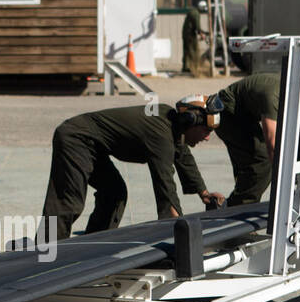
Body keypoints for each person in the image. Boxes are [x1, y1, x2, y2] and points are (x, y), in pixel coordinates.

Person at [39, 96, 221, 241]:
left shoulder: (173, 125)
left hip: (91, 144)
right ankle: (45, 255)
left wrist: (203, 193)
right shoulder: (160, 133)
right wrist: (180, 235)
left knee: (115, 193)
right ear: (189, 121)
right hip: (76, 138)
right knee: (68, 202)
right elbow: (164, 183)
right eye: (206, 130)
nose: (206, 138)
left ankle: (92, 244)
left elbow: (183, 157)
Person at [204, 65, 300, 206]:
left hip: (243, 115)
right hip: (227, 113)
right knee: (262, 160)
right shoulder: (274, 94)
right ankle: (238, 208)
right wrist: (286, 185)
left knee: (290, 151)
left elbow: (295, 139)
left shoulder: (292, 86)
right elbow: (272, 145)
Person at [181, 2, 209, 76]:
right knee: (193, 51)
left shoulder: (193, 11)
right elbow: (197, 27)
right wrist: (202, 34)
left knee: (186, 50)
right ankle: (194, 67)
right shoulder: (196, 14)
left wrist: (202, 32)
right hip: (190, 35)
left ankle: (185, 67)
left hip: (186, 33)